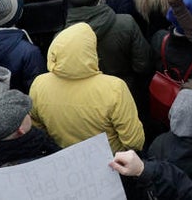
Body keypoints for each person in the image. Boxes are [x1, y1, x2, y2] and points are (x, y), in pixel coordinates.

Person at [28, 21, 146, 151]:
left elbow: (37, 128)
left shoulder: (39, 85)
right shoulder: (115, 88)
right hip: (111, 164)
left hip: (64, 160)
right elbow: (134, 142)